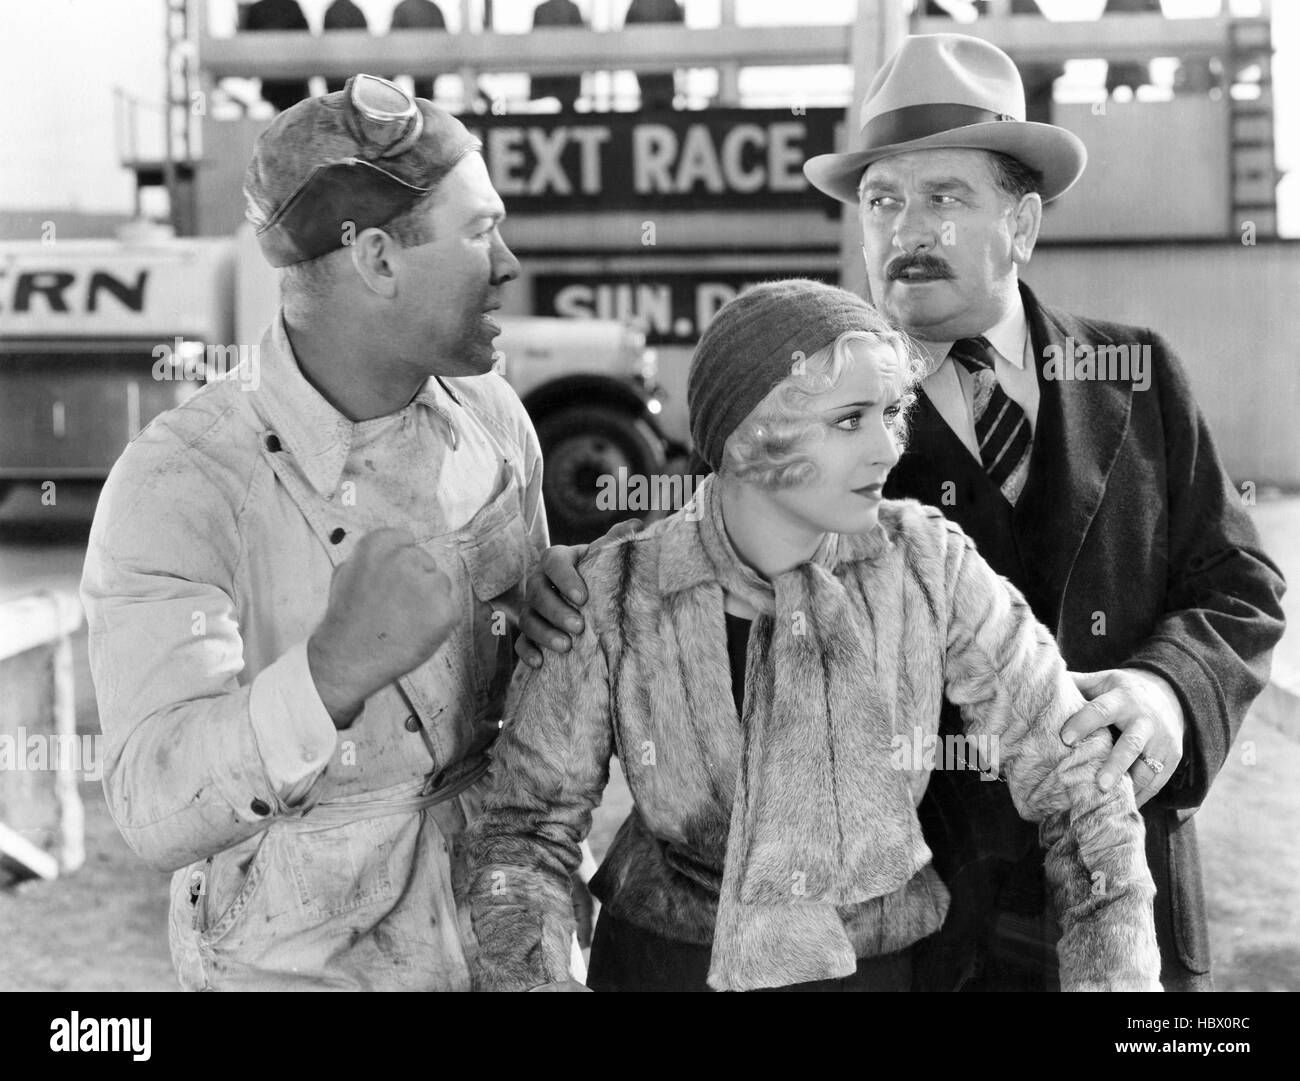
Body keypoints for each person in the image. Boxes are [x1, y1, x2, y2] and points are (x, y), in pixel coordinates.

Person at [519, 34, 1287, 992]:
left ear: (1024, 222)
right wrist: (575, 576)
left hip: (1117, 899)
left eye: (945, 198)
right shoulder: (803, 396)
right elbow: (702, 525)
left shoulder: (1138, 378)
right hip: (917, 940)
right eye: (882, 200)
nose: (904, 229)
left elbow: (1240, 584)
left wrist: (1170, 692)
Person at [468, 278, 1162, 993]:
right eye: (848, 419)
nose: (886, 449)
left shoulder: (928, 564)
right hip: (665, 966)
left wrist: (1115, 981)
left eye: (891, 413)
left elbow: (1082, 790)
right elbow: (522, 836)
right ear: (743, 435)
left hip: (874, 972)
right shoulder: (617, 589)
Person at [81, 75, 550, 991]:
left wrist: (573, 610)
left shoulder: (494, 418)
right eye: (477, 231)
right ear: (376, 259)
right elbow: (150, 800)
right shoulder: (183, 483)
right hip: (300, 970)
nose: (508, 263)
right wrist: (330, 672)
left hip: (496, 945)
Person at [242, 0, 311, 113]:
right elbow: (306, 40)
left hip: (270, 82)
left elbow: (247, 45)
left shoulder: (257, 9)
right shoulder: (292, 6)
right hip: (294, 80)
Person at [624, 0, 683, 112]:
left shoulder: (637, 4)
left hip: (653, 70)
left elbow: (626, 33)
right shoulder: (670, 4)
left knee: (654, 103)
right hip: (656, 69)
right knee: (659, 104)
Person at [530, 0, 585, 112]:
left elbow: (534, 42)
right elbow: (581, 41)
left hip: (545, 75)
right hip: (567, 76)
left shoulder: (540, 10)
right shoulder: (573, 9)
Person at [390, 0, 447, 101]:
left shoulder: (403, 8)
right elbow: (444, 41)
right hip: (431, 62)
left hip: (414, 60)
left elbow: (393, 44)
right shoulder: (433, 8)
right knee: (425, 100)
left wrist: (386, 81)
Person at [322, 0, 372, 94]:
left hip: (335, 70)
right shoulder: (355, 10)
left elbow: (326, 44)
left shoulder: (331, 11)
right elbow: (365, 42)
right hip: (355, 70)